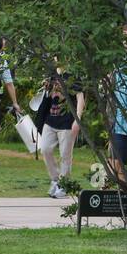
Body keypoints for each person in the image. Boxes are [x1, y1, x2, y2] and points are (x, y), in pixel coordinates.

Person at [38, 68, 84, 198]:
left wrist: (78, 119)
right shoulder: (51, 73)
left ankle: (64, 185)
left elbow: (80, 97)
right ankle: (55, 179)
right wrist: (47, 87)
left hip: (67, 121)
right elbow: (49, 96)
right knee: (45, 149)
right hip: (50, 119)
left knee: (65, 154)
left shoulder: (72, 75)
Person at [109, 33, 127, 185]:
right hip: (120, 125)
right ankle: (125, 204)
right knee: (118, 167)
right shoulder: (118, 64)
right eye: (124, 38)